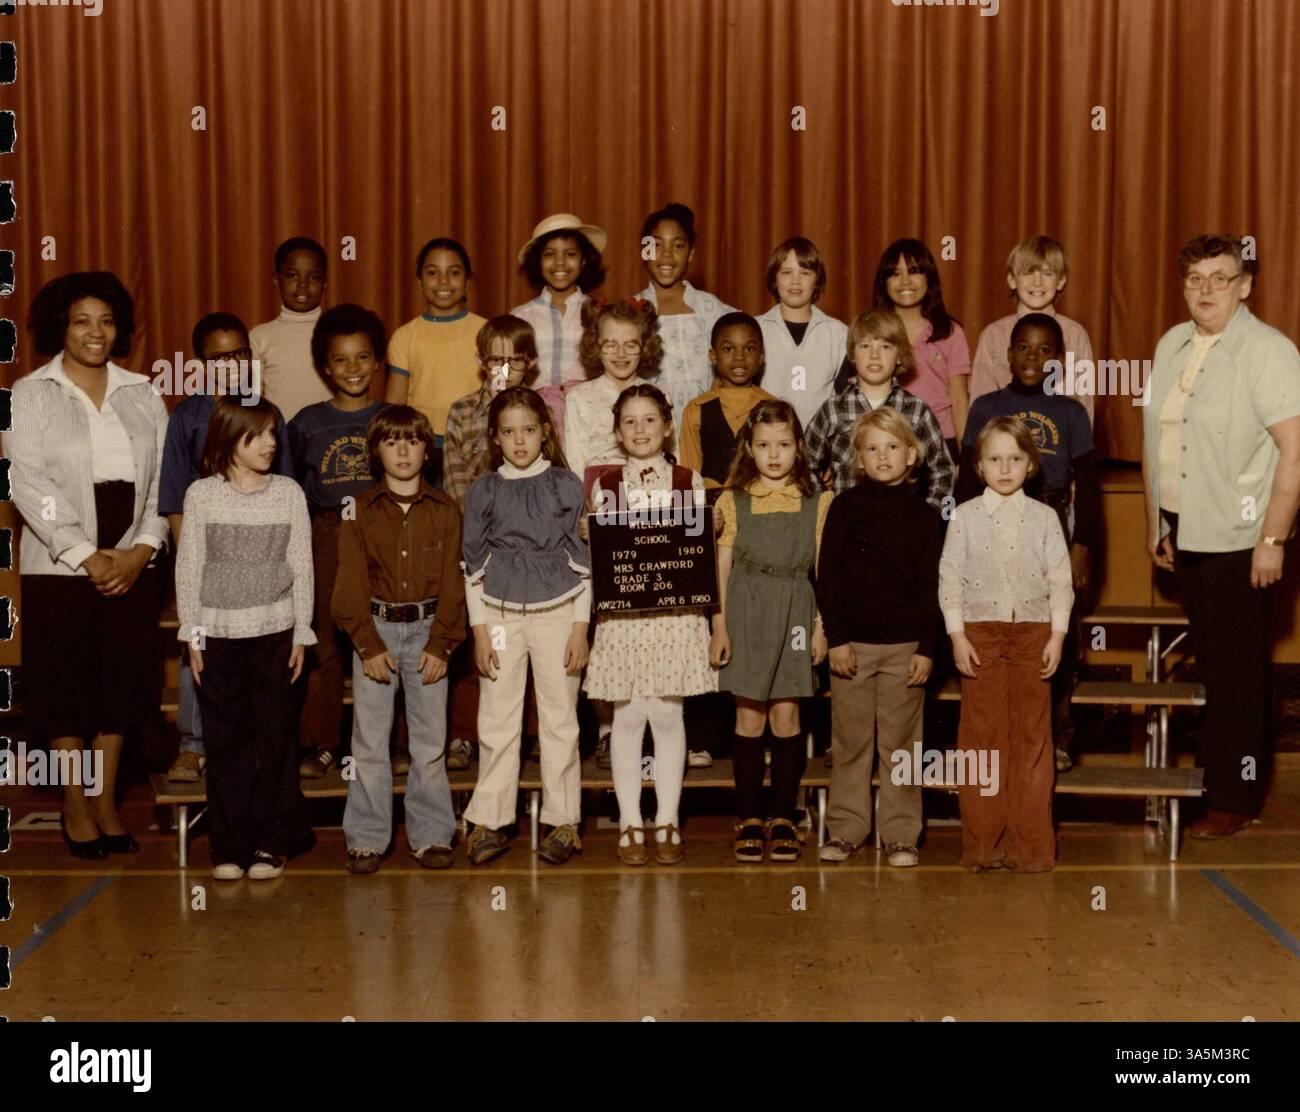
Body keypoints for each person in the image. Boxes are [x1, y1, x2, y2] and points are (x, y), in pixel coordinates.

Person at [1143, 233, 1300, 839]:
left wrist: (1273, 539)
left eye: (1220, 278)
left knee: (1238, 675)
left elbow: (1293, 452)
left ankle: (1237, 796)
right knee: (1212, 669)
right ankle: (1215, 781)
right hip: (1188, 530)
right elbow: (1165, 443)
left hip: (1242, 536)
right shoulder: (1171, 345)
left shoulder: (1268, 351)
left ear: (1245, 286)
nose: (1206, 290)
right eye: (1195, 279)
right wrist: (1161, 524)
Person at [7, 272, 168, 859]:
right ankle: (76, 803)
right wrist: (82, 552)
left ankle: (106, 805)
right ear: (60, 327)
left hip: (131, 560)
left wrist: (140, 550)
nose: (95, 332)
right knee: (67, 689)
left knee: (122, 689)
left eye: (105, 320)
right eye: (81, 320)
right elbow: (27, 482)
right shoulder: (30, 394)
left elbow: (161, 486)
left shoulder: (143, 393)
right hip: (60, 566)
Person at [175, 396, 317, 880]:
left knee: (275, 739)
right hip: (217, 635)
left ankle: (273, 842)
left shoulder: (289, 494)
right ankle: (228, 847)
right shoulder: (201, 496)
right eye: (257, 435)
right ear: (228, 440)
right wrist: (193, 635)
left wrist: (301, 630)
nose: (271, 444)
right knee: (225, 742)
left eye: (273, 433)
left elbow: (302, 566)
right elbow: (189, 566)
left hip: (275, 634)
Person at [957, 313, 1099, 771]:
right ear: (1009, 352)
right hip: (994, 523)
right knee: (999, 626)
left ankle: (1056, 737)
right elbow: (963, 483)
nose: (1033, 358)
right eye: (1024, 348)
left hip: (1051, 521)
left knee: (1053, 633)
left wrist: (1082, 547)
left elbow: (1090, 486)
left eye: (1044, 350)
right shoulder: (985, 407)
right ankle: (997, 739)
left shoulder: (1071, 411)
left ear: (1058, 359)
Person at [583, 384, 717, 865]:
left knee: (666, 715)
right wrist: (590, 533)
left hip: (674, 618)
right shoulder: (606, 486)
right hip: (625, 619)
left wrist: (709, 527)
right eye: (630, 422)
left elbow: (697, 552)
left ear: (666, 425)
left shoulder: (689, 481)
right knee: (626, 719)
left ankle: (667, 820)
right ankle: (629, 823)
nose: (640, 430)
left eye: (649, 420)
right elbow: (603, 556)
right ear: (618, 431)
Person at [331, 405, 467, 873]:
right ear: (376, 452)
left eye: (412, 440)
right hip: (378, 631)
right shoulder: (358, 511)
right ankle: (367, 838)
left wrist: (442, 643)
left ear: (427, 451)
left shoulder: (447, 510)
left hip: (429, 632)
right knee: (370, 741)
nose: (403, 450)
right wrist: (367, 645)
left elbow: (455, 581)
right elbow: (348, 585)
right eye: (392, 442)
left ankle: (431, 835)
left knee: (429, 742)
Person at [159, 311, 293, 783]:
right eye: (219, 356)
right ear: (199, 362)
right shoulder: (187, 417)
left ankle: (254, 742)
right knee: (197, 644)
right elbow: (174, 498)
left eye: (239, 353)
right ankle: (194, 745)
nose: (232, 363)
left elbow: (286, 495)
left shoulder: (266, 414)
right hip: (208, 559)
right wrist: (189, 569)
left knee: (260, 648)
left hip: (262, 559)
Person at [460, 389, 592, 866]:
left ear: (545, 433)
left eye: (529, 430)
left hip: (560, 611)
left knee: (560, 718)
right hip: (498, 615)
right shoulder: (484, 490)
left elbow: (585, 564)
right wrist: (479, 630)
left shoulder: (565, 484)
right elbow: (471, 566)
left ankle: (563, 821)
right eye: (509, 432)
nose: (520, 441)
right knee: (497, 719)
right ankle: (491, 820)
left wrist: (580, 627)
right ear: (495, 438)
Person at [940, 417, 1073, 873]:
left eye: (1014, 459)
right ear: (979, 466)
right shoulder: (964, 516)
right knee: (981, 739)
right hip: (981, 634)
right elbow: (950, 578)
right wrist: (957, 634)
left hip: (1033, 634)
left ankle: (1031, 846)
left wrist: (1057, 635)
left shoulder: (1044, 518)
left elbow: (1061, 580)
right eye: (994, 459)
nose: (1004, 468)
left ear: (1030, 464)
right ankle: (982, 845)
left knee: (1033, 739)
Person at [816, 408, 942, 867]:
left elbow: (934, 590)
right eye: (871, 448)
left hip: (906, 647)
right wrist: (838, 638)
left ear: (912, 454)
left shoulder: (927, 517)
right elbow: (828, 577)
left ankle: (901, 833)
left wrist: (928, 647)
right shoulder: (844, 508)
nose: (882, 456)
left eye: (892, 447)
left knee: (902, 747)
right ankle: (847, 829)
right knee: (850, 743)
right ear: (858, 458)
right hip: (854, 647)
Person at [710, 399, 832, 862]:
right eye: (764, 445)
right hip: (746, 608)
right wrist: (720, 625)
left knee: (787, 717)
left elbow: (824, 571)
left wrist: (822, 627)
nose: (774, 454)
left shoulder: (818, 501)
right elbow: (720, 569)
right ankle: (750, 816)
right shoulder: (732, 500)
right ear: (749, 448)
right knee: (749, 718)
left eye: (783, 444)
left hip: (796, 610)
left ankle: (784, 815)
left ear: (799, 448)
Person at [289, 304, 389, 779]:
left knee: (388, 638)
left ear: (378, 361)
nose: (353, 369)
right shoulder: (307, 423)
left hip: (384, 537)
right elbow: (289, 490)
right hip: (325, 535)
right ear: (324, 366)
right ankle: (320, 742)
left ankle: (394, 744)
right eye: (341, 360)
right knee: (323, 642)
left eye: (362, 358)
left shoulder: (393, 418)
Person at [442, 314, 542, 771]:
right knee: (474, 637)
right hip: (481, 541)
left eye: (514, 362)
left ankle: (533, 733)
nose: (504, 371)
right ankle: (464, 734)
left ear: (531, 364)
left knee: (535, 632)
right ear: (482, 363)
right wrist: (479, 538)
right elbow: (457, 483)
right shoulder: (463, 412)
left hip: (535, 546)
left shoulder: (539, 411)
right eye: (495, 361)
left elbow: (552, 476)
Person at [805, 307, 954, 508]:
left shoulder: (917, 411)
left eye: (885, 347)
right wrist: (823, 509)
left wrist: (929, 516)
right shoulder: (833, 409)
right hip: (849, 526)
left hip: (902, 526)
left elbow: (943, 469)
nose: (874, 355)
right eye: (865, 346)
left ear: (899, 356)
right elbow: (805, 463)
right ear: (852, 355)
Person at [969, 235, 1096, 424]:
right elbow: (981, 406)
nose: (1038, 282)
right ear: (1012, 279)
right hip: (1005, 444)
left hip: (1058, 444)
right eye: (1028, 272)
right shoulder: (993, 335)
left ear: (1061, 281)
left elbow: (1085, 408)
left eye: (1048, 273)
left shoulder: (1075, 335)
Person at [634, 202, 736, 429]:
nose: (667, 255)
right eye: (656, 245)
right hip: (650, 428)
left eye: (678, 246)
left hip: (706, 424)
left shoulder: (710, 309)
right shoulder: (633, 310)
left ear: (690, 253)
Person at [385, 237, 487, 463]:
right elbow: (395, 405)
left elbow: (504, 387)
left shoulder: (489, 331)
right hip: (423, 447)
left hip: (478, 445)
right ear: (420, 282)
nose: (443, 281)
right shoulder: (404, 336)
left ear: (468, 281)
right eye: (432, 273)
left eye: (454, 273)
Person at [510, 213, 608, 441]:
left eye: (570, 254)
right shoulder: (520, 316)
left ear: (583, 261)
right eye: (550, 255)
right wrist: (498, 390)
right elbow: (504, 363)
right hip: (533, 416)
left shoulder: (599, 314)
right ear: (538, 262)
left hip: (588, 414)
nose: (560, 263)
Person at [873, 238, 972, 456]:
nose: (905, 281)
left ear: (929, 279)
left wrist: (965, 455)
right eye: (895, 274)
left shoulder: (950, 332)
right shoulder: (873, 332)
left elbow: (959, 398)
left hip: (941, 438)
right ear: (884, 282)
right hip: (888, 440)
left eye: (914, 271)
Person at [563, 297, 663, 484]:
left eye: (631, 345)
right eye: (610, 345)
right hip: (598, 491)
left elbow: (673, 458)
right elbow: (574, 462)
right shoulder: (577, 397)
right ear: (596, 347)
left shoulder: (658, 394)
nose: (620, 354)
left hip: (651, 487)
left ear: (645, 347)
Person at [754, 237, 848, 430]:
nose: (795, 281)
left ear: (817, 280)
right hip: (770, 443)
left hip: (821, 445)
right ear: (774, 279)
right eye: (786, 272)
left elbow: (843, 400)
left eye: (805, 273)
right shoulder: (755, 329)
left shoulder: (838, 333)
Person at [678, 312, 776, 489]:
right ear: (713, 356)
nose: (739, 357)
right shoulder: (696, 410)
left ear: (761, 357)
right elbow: (689, 478)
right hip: (712, 509)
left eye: (749, 349)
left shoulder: (773, 408)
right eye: (728, 349)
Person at [251, 236, 331, 421]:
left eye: (313, 277)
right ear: (276, 280)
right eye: (292, 275)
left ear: (325, 283)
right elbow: (252, 399)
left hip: (329, 440)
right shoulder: (259, 336)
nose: (303, 285)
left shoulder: (337, 333)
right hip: (279, 439)